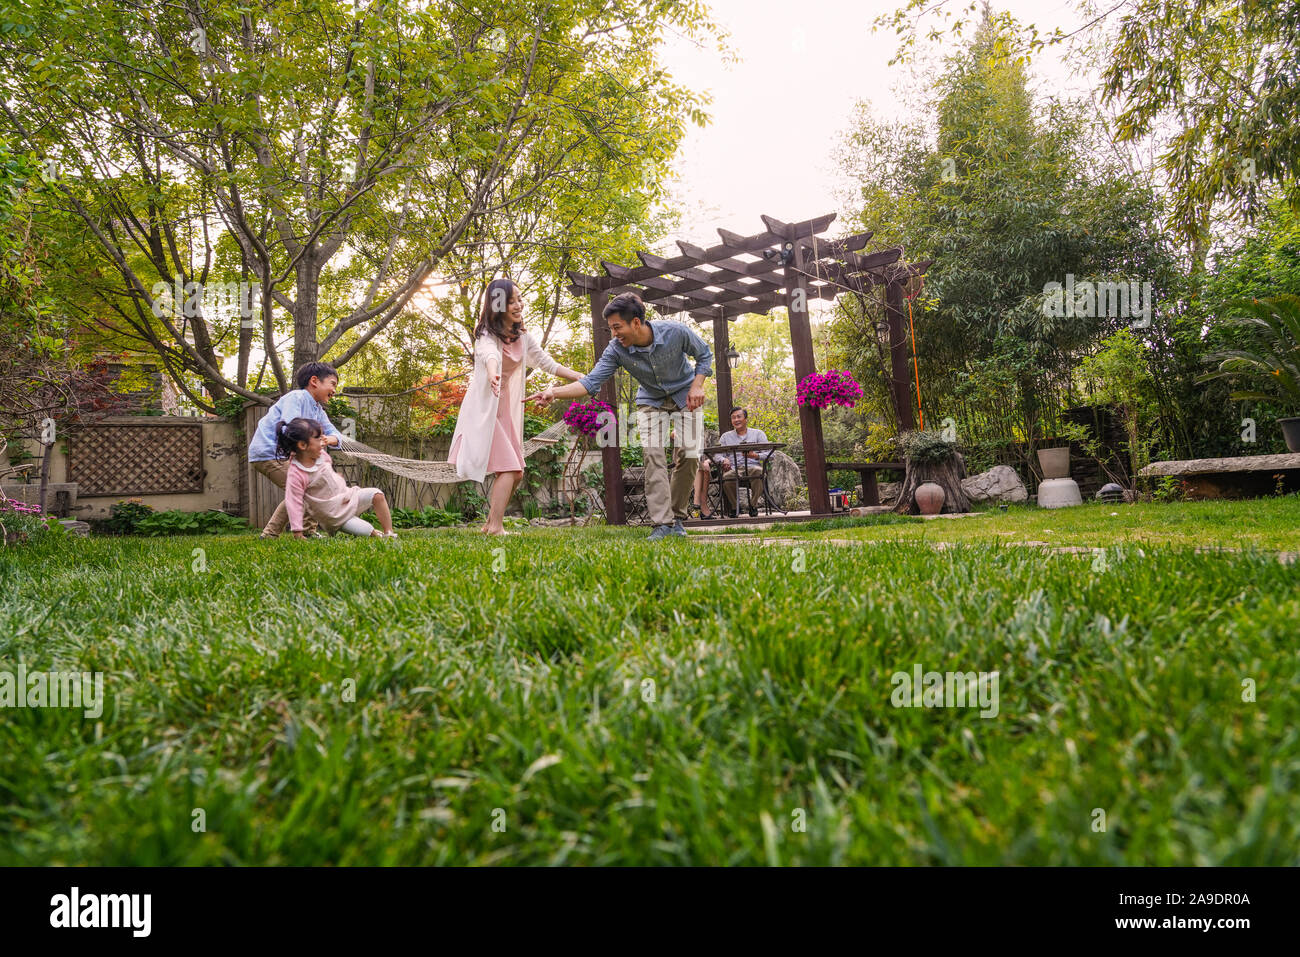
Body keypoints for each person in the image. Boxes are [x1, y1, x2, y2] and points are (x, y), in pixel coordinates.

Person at [529, 293, 713, 540]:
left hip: (686, 395)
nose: (614, 334)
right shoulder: (616, 349)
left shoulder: (675, 331)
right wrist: (554, 391)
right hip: (651, 401)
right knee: (653, 455)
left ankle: (677, 518)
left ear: (636, 322)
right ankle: (662, 524)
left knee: (690, 455)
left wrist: (698, 385)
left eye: (617, 327)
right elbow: (591, 382)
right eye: (611, 328)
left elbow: (704, 354)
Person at [448, 278, 584, 535]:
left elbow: (546, 362)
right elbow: (489, 354)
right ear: (497, 305)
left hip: (504, 410)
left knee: (517, 472)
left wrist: (577, 376)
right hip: (484, 410)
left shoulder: (523, 337)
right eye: (511, 301)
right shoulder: (486, 336)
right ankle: (496, 528)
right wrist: (492, 373)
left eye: (519, 299)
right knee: (509, 468)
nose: (518, 305)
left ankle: (489, 524)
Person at [247, 361, 346, 538]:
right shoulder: (296, 398)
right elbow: (291, 427)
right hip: (268, 452)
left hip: (286, 454)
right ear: (314, 381)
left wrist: (330, 438)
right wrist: (313, 441)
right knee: (304, 487)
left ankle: (308, 530)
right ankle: (270, 533)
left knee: (314, 484)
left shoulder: (317, 410)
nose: (334, 390)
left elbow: (335, 434)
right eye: (332, 383)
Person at [278, 418, 396, 539]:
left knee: (377, 494)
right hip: (334, 515)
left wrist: (335, 477)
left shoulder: (321, 455)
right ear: (302, 445)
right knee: (368, 531)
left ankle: (389, 533)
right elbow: (294, 503)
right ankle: (376, 534)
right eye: (318, 439)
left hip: (348, 497)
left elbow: (327, 467)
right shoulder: (297, 474)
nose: (323, 442)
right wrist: (297, 532)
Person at [713, 406, 772, 517]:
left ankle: (753, 505)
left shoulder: (758, 434)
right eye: (733, 418)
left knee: (759, 472)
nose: (736, 420)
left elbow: (770, 454)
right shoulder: (726, 437)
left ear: (746, 419)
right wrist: (723, 459)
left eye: (739, 417)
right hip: (734, 468)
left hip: (753, 466)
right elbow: (717, 454)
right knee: (726, 477)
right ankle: (735, 507)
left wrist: (756, 456)